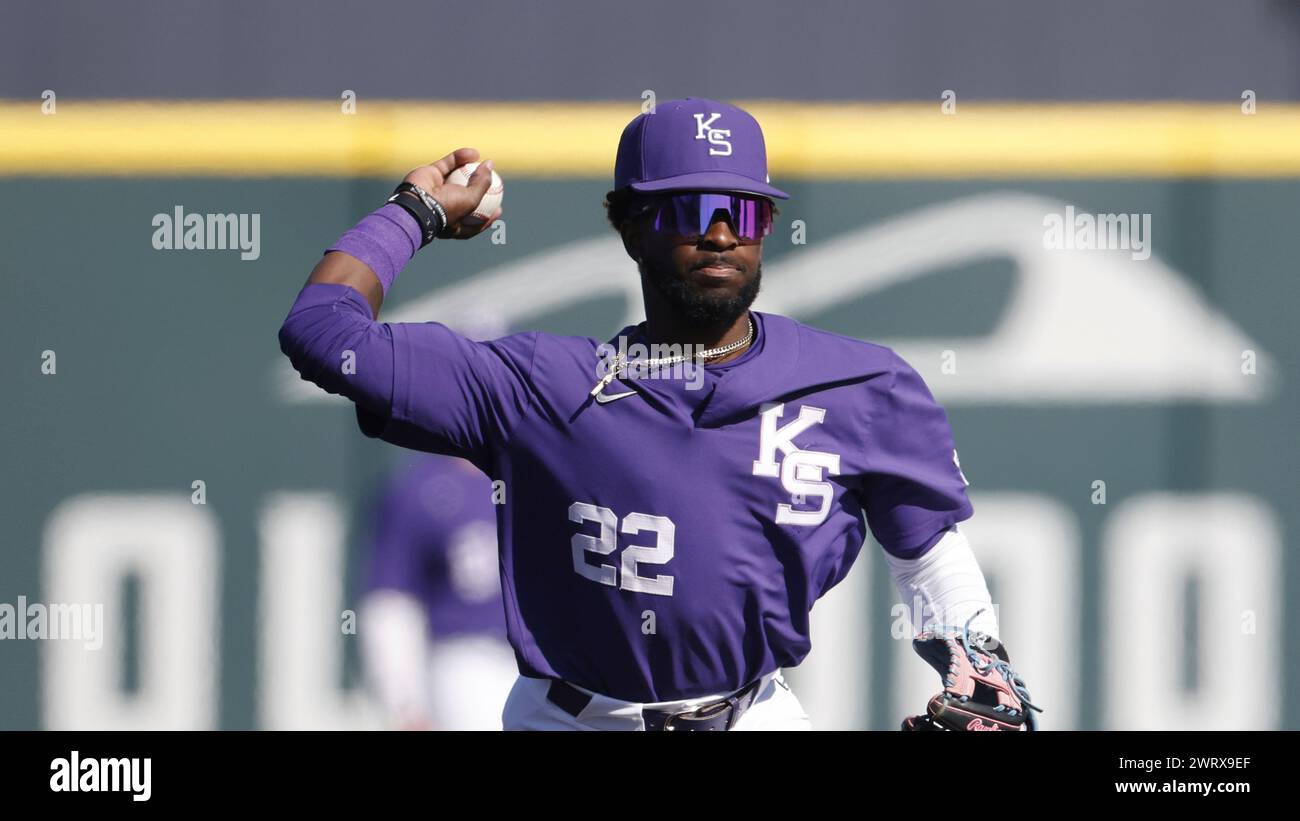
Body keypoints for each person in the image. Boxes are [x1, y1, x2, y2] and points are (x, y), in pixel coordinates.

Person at [280, 97, 1038, 731]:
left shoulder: (862, 385)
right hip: (570, 718)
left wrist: (979, 663)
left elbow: (926, 550)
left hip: (753, 713)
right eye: (693, 208)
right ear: (631, 225)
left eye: (745, 209)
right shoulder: (539, 385)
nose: (721, 232)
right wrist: (413, 211)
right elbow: (321, 332)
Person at [358, 454, 516, 730]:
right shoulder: (421, 487)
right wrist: (403, 703)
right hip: (469, 664)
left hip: (556, 666)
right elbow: (392, 604)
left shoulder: (551, 472)